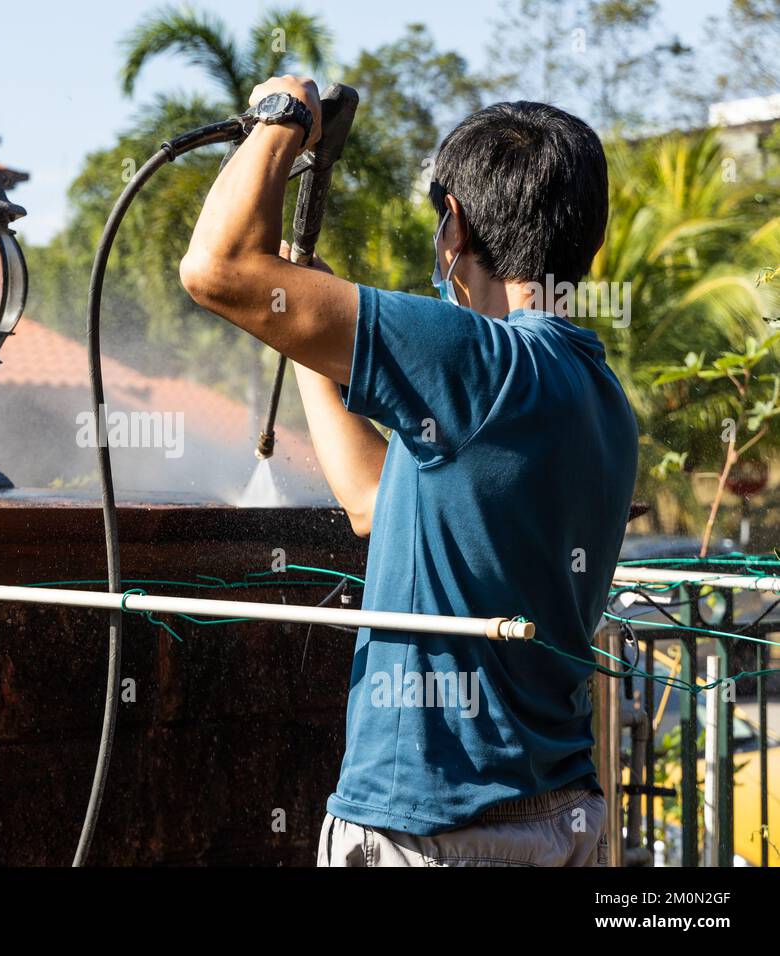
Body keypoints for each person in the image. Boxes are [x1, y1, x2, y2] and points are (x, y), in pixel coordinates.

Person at [180, 75, 637, 866]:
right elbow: (370, 499)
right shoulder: (598, 394)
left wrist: (283, 116)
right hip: (560, 818)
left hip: (436, 831)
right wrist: (306, 332)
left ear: (453, 226)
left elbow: (217, 269)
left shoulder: (480, 361)